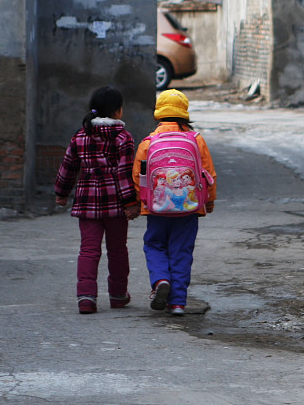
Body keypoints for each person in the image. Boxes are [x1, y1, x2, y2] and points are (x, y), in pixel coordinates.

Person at [54, 85, 140, 314]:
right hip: (116, 204)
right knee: (118, 249)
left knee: (88, 250)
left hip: (87, 202)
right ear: (117, 111)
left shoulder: (80, 136)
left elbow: (68, 167)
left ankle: (86, 298)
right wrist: (131, 201)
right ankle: (118, 295)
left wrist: (61, 192)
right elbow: (124, 173)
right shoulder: (123, 138)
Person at [133, 88, 216, 316]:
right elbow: (209, 173)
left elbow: (137, 178)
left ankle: (160, 280)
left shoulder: (148, 143)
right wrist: (208, 202)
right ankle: (177, 302)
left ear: (158, 113)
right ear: (184, 112)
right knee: (181, 251)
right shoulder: (196, 140)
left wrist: (142, 203)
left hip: (157, 208)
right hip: (188, 208)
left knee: (155, 245)